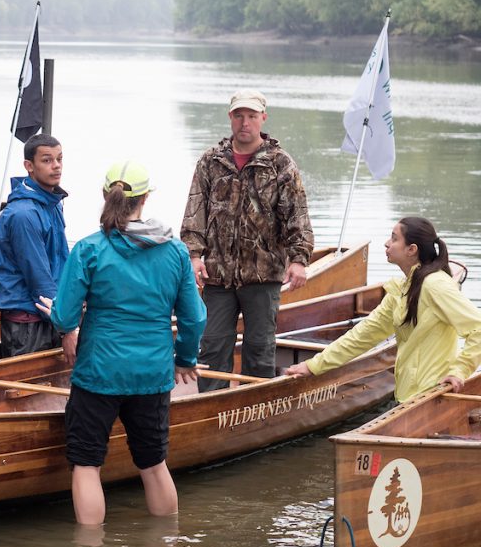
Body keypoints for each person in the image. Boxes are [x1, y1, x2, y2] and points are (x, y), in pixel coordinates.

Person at [36, 160, 206, 524]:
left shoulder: (90, 249)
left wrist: (61, 320)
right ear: (145, 198)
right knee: (154, 463)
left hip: (99, 373)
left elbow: (65, 317)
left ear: (105, 195)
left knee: (86, 465)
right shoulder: (176, 251)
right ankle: (165, 545)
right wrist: (185, 359)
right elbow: (194, 318)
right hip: (152, 375)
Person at [180, 89, 314, 392]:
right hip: (217, 276)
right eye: (239, 115)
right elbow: (194, 212)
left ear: (263, 118)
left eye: (252, 116)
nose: (245, 122)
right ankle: (211, 406)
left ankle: (257, 405)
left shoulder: (281, 163)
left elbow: (297, 215)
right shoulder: (210, 161)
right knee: (212, 346)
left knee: (260, 349)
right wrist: (194, 256)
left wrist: (298, 259)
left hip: (263, 276)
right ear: (230, 117)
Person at [286, 217, 481, 401]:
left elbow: (478, 329)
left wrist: (459, 371)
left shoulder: (436, 284)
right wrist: (313, 365)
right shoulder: (402, 289)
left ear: (411, 249)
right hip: (408, 397)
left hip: (432, 395)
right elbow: (363, 335)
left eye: (394, 239)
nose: (387, 244)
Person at [0, 134, 74, 356]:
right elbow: (38, 276)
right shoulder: (24, 214)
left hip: (49, 311)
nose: (56, 166)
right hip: (27, 322)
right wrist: (66, 326)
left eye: (59, 159)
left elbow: (60, 260)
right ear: (29, 166)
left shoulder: (53, 203)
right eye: (47, 160)